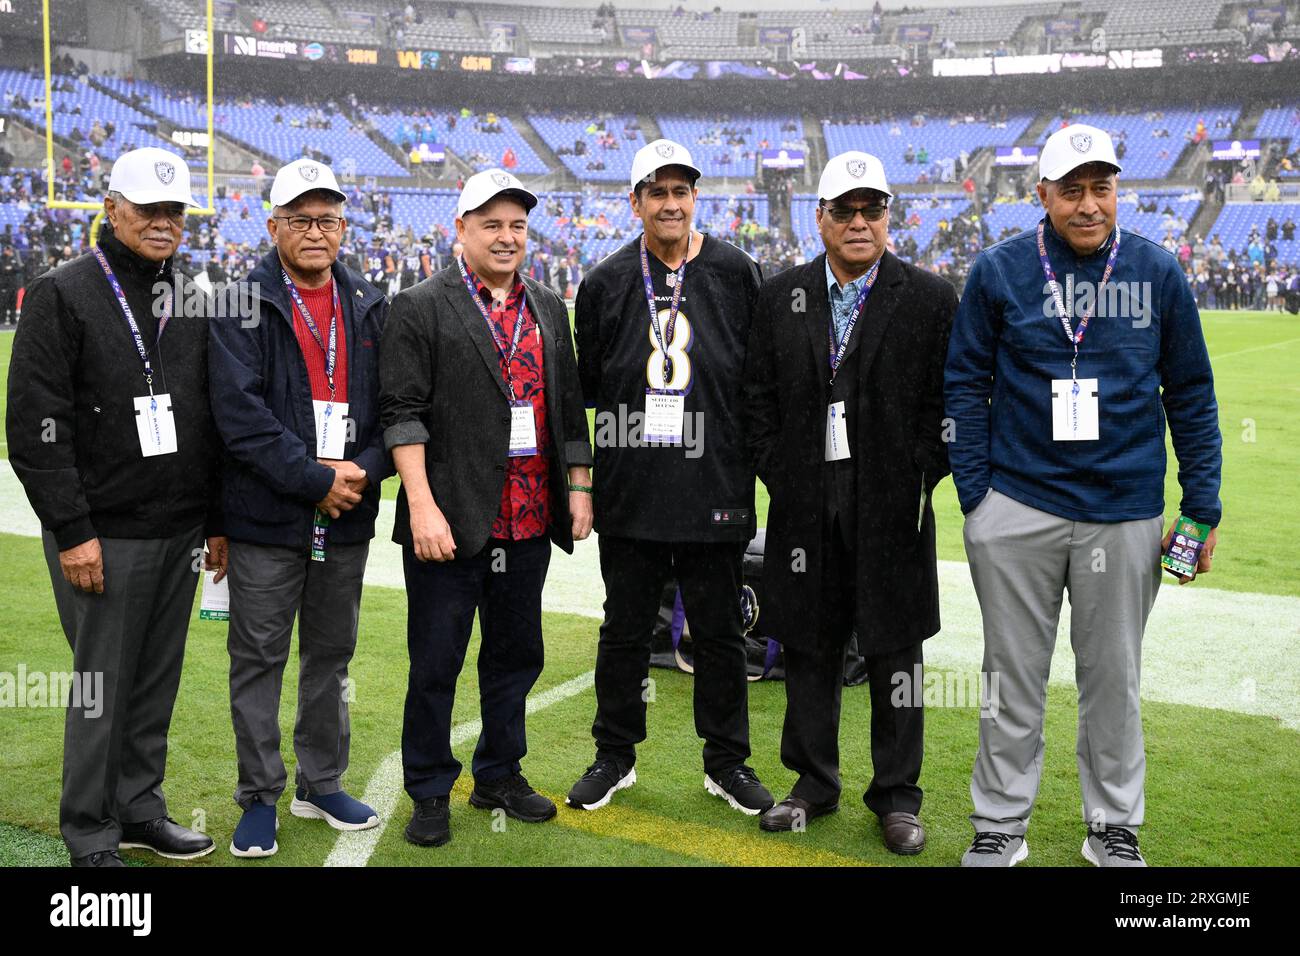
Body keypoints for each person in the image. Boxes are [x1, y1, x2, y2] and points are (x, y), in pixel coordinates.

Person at [945, 125, 1222, 867]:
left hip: (1124, 511)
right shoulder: (1000, 271)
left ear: (1117, 191)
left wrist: (1202, 506)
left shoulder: (1157, 272)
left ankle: (1112, 826)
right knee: (1010, 677)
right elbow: (965, 384)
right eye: (1072, 190)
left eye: (1102, 187)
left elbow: (1191, 391)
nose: (1089, 204)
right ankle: (1000, 822)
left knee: (1115, 681)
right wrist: (979, 498)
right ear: (1042, 196)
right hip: (1019, 508)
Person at [5, 147, 223, 866]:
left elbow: (208, 417)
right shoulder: (63, 292)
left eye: (174, 211)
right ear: (111, 208)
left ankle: (139, 810)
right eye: (149, 209)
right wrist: (71, 530)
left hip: (180, 526)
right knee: (102, 687)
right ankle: (90, 831)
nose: (163, 223)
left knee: (154, 684)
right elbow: (37, 425)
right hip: (102, 532)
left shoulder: (190, 293)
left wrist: (214, 520)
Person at [743, 152, 956, 853]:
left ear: (889, 216)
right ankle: (812, 784)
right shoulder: (780, 297)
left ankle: (897, 796)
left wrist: (919, 473)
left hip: (892, 506)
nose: (860, 222)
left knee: (897, 653)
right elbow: (756, 403)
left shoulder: (929, 297)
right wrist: (783, 473)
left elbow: (949, 406)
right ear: (821, 218)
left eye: (873, 209)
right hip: (806, 504)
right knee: (808, 646)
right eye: (845, 210)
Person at [380, 169, 593, 848]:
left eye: (517, 226)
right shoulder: (419, 305)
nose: (507, 238)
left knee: (514, 656)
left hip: (528, 518)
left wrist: (580, 488)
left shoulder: (549, 305)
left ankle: (499, 773)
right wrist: (421, 506)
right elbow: (402, 414)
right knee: (436, 662)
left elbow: (567, 409)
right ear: (461, 229)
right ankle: (430, 788)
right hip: (450, 521)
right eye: (492, 225)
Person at [567, 139, 773, 815]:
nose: (670, 203)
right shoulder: (603, 281)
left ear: (695, 199)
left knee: (719, 634)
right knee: (624, 630)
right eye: (656, 192)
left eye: (680, 191)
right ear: (635, 202)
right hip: (633, 486)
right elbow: (588, 387)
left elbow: (757, 382)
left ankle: (727, 762)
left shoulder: (737, 271)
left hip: (715, 486)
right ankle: (614, 755)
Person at [208, 158, 391, 857]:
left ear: (343, 227)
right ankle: (259, 796)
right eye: (301, 219)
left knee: (331, 654)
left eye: (328, 220)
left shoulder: (371, 302)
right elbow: (240, 417)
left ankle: (321, 780)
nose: (316, 232)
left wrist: (361, 472)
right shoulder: (238, 302)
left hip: (345, 511)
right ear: (272, 223)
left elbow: (395, 408)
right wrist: (318, 478)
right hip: (267, 513)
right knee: (258, 656)